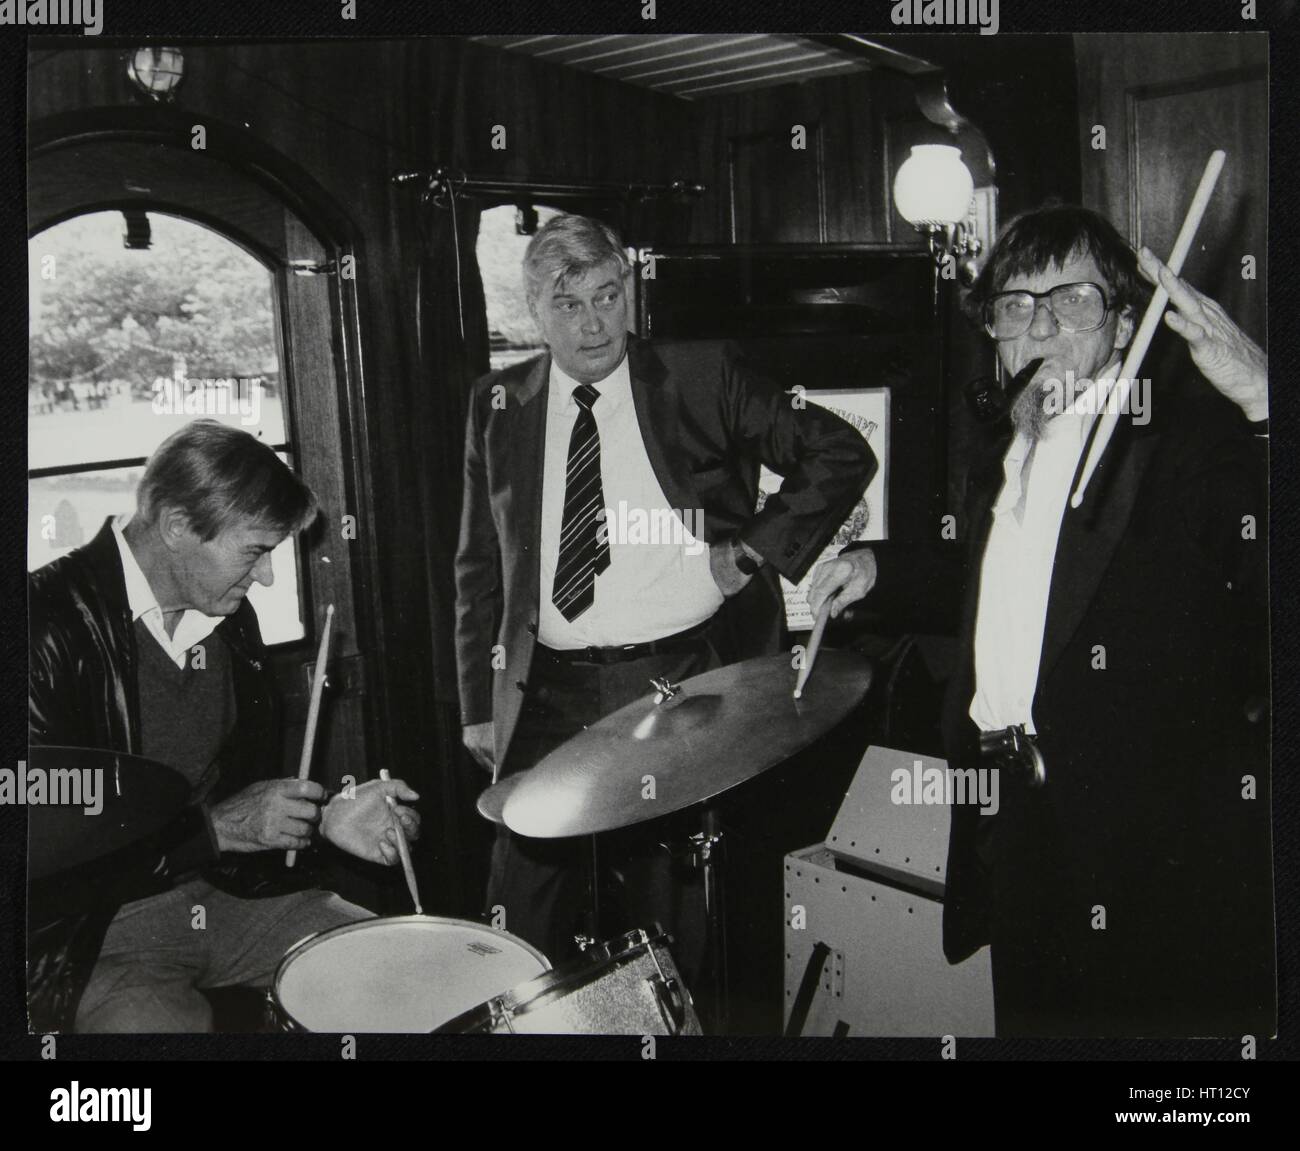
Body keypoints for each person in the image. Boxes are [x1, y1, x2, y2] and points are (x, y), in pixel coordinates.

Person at [810, 203, 1273, 1037]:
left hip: (1147, 843)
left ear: (1125, 322)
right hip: (1012, 819)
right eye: (1017, 307)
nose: (1044, 326)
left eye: (1075, 302)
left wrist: (1266, 400)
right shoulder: (1004, 447)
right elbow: (1012, 582)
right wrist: (884, 565)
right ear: (995, 333)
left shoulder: (1182, 445)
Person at [455, 213, 875, 977]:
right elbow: (478, 560)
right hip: (545, 691)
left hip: (678, 684)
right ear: (534, 312)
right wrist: (477, 705)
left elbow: (839, 450)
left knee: (671, 925)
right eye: (570, 304)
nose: (594, 325)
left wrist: (749, 552)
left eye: (608, 296)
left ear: (631, 294)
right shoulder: (498, 403)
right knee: (517, 920)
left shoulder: (700, 376)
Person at [28, 420, 421, 1033]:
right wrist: (210, 833)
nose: (265, 577)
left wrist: (326, 817)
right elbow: (36, 841)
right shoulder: (41, 627)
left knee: (407, 967)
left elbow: (247, 803)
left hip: (232, 896)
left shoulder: (230, 619)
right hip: (95, 930)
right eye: (255, 551)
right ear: (178, 526)